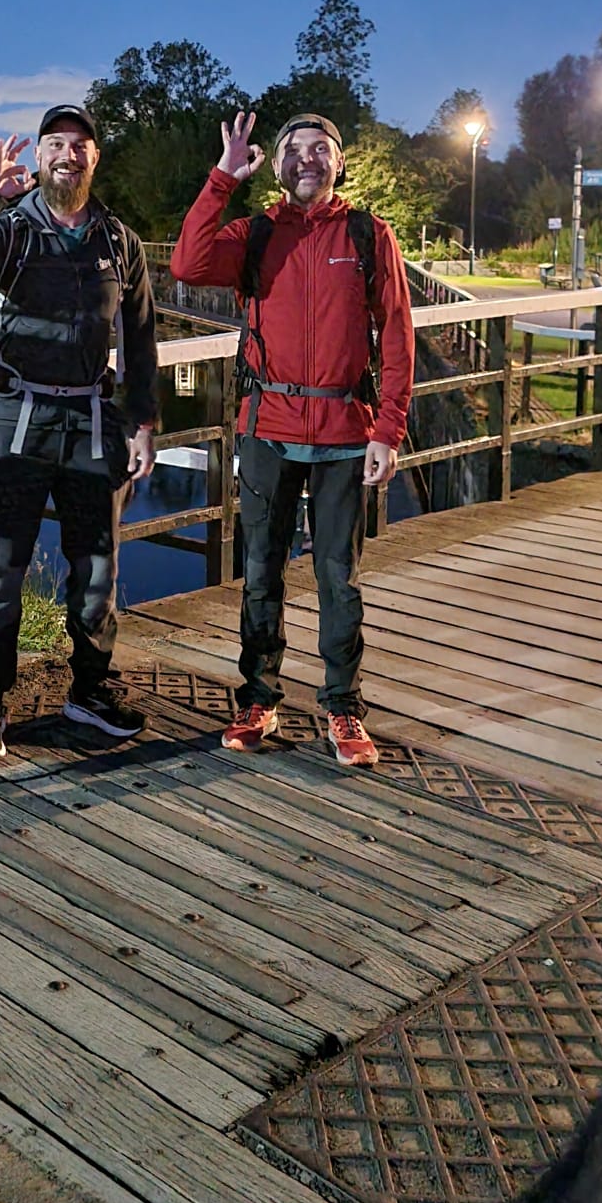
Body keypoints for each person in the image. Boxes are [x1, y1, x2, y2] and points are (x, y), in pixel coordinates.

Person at [170, 110, 414, 768]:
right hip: (268, 432)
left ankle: (343, 708)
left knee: (339, 578)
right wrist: (222, 178)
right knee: (260, 576)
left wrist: (388, 429)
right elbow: (187, 263)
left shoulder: (368, 234)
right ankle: (259, 699)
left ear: (338, 162)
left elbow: (396, 332)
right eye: (294, 150)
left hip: (344, 433)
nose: (308, 158)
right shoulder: (255, 234)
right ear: (277, 167)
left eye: (320, 149)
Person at [0, 104, 159, 762]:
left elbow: (140, 337)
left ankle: (90, 693)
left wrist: (142, 422)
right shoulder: (7, 232)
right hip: (14, 422)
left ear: (94, 159)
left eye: (79, 145)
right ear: (42, 157)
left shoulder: (118, 240)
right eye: (55, 143)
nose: (67, 154)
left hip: (91, 423)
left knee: (96, 574)